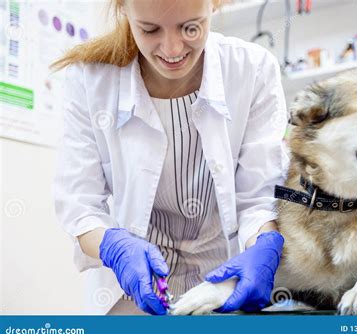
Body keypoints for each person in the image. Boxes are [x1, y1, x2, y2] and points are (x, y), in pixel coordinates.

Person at [52, 0, 288, 315]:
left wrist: (263, 246)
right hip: (133, 289)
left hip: (224, 284)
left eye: (191, 27)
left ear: (213, 7)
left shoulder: (253, 69)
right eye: (149, 29)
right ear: (125, 12)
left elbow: (258, 197)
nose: (172, 47)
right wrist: (113, 247)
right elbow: (80, 205)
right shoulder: (89, 79)